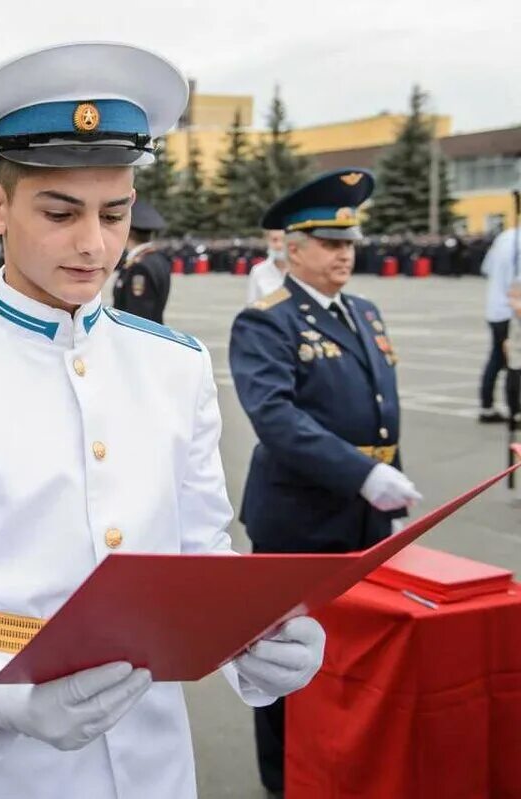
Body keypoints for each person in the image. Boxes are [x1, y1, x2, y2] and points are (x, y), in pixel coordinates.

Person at [0, 42, 326, 798]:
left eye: (115, 212)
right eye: (61, 212)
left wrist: (253, 639)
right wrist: (0, 695)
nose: (94, 243)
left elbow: (201, 554)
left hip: (156, 760)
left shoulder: (175, 365)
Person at [229, 168, 422, 797]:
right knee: (282, 665)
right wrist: (364, 473)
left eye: (349, 243)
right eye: (329, 243)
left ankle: (337, 770)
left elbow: (376, 401)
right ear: (291, 246)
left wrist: (387, 475)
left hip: (364, 517)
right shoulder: (266, 321)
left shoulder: (364, 310)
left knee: (353, 659)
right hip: (300, 520)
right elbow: (278, 421)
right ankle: (282, 780)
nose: (344, 254)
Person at [478, 221, 521, 423]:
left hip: (495, 308)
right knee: (514, 363)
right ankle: (515, 410)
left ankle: (487, 406)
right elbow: (517, 286)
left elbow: (486, 268)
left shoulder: (504, 238)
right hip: (512, 311)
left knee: (497, 359)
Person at [111, 198, 171, 322]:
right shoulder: (157, 258)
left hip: (137, 336)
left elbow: (138, 314)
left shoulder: (139, 267)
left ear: (128, 230)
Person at [246, 228, 287, 304]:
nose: (279, 245)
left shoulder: (302, 270)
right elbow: (252, 304)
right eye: (274, 240)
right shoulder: (258, 271)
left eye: (284, 240)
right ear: (268, 241)